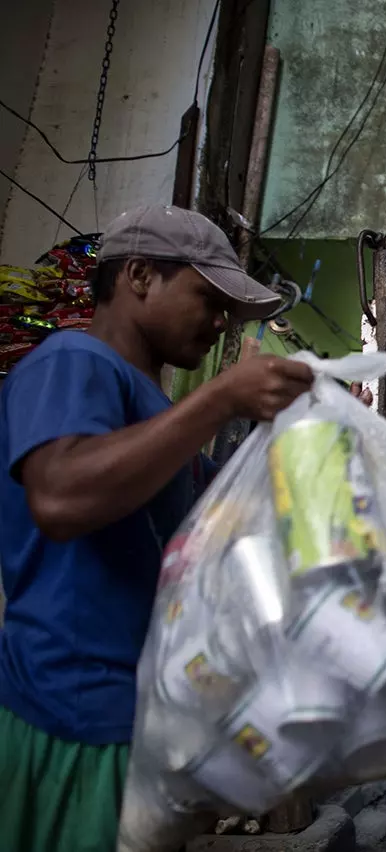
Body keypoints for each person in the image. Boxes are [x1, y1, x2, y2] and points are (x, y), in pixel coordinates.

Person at [0, 205, 317, 851]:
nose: (221, 321)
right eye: (208, 298)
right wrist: (220, 398)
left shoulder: (157, 416)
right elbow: (60, 499)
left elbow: (216, 529)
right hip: (72, 713)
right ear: (140, 276)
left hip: (135, 719)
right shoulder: (72, 361)